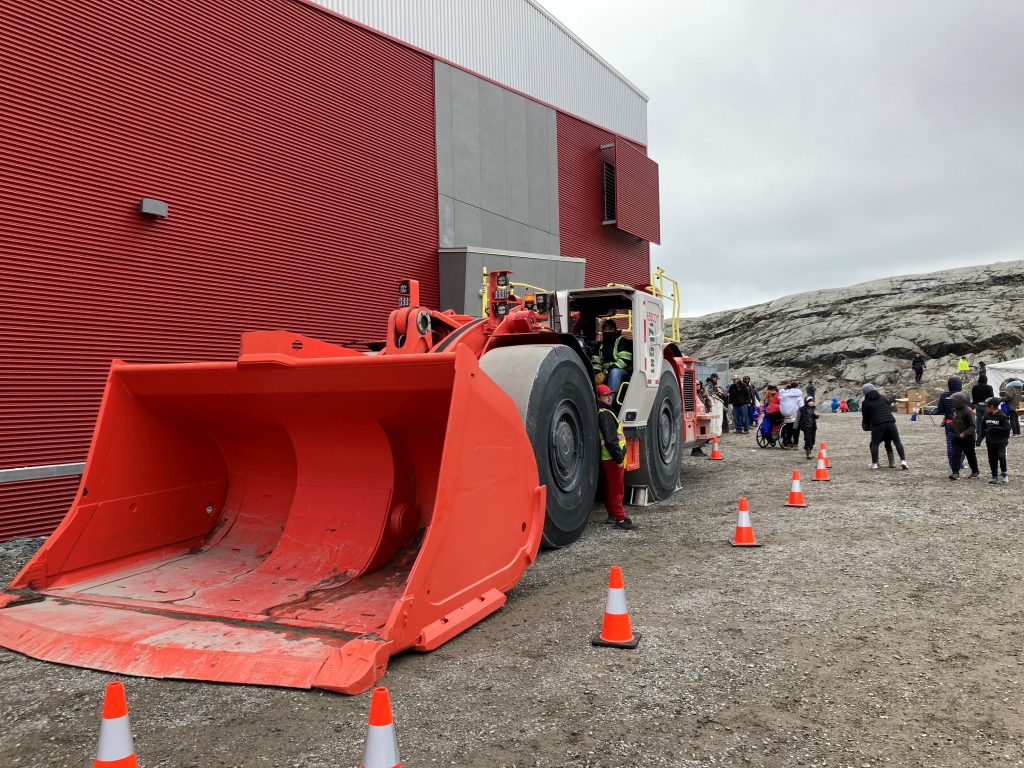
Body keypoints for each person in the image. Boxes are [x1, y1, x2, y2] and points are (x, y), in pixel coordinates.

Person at [596, 384, 636, 530]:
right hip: (612, 459)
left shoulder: (601, 413)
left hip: (608, 458)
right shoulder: (605, 414)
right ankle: (620, 519)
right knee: (617, 490)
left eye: (609, 394)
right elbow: (611, 440)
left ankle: (613, 515)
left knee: (611, 489)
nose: (609, 397)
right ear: (599, 397)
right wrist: (619, 459)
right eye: (606, 395)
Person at [861, 383, 909, 470]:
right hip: (890, 421)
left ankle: (875, 463)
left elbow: (865, 417)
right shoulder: (882, 397)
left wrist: (868, 426)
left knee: (874, 444)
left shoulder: (865, 402)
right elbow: (888, 406)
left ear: (864, 393)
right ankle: (903, 461)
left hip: (877, 424)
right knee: (897, 441)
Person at [592, 319, 632, 401]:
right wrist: (597, 373)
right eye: (605, 329)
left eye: (610, 329)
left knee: (615, 372)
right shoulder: (600, 345)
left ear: (614, 329)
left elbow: (624, 361)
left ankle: (609, 403)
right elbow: (596, 362)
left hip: (623, 372)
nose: (607, 331)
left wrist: (606, 372)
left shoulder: (622, 341)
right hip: (605, 373)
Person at [977, 396, 1011, 484]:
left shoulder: (1002, 416)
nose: (984, 408)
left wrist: (994, 429)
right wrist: (979, 440)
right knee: (992, 459)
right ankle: (994, 476)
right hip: (990, 442)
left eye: (986, 406)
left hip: (1001, 442)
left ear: (991, 406)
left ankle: (1004, 474)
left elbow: (1007, 428)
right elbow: (983, 430)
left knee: (1001, 457)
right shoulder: (986, 417)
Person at [948, 391, 980, 480]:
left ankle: (975, 471)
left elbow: (973, 426)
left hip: (968, 438)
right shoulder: (954, 410)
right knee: (955, 454)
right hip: (956, 437)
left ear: (960, 402)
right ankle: (955, 472)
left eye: (954, 401)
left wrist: (965, 433)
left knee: (970, 455)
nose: (952, 403)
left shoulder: (968, 411)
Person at [937, 376, 965, 472]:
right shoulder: (963, 395)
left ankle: (952, 463)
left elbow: (939, 409)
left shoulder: (944, 395)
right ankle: (960, 463)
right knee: (962, 443)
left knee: (950, 444)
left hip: (949, 422)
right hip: (962, 423)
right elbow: (968, 409)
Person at [779, 382, 804, 448]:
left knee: (788, 430)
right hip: (795, 415)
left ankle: (788, 443)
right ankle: (796, 444)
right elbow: (802, 406)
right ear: (797, 386)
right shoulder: (798, 395)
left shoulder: (784, 394)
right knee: (796, 430)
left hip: (786, 415)